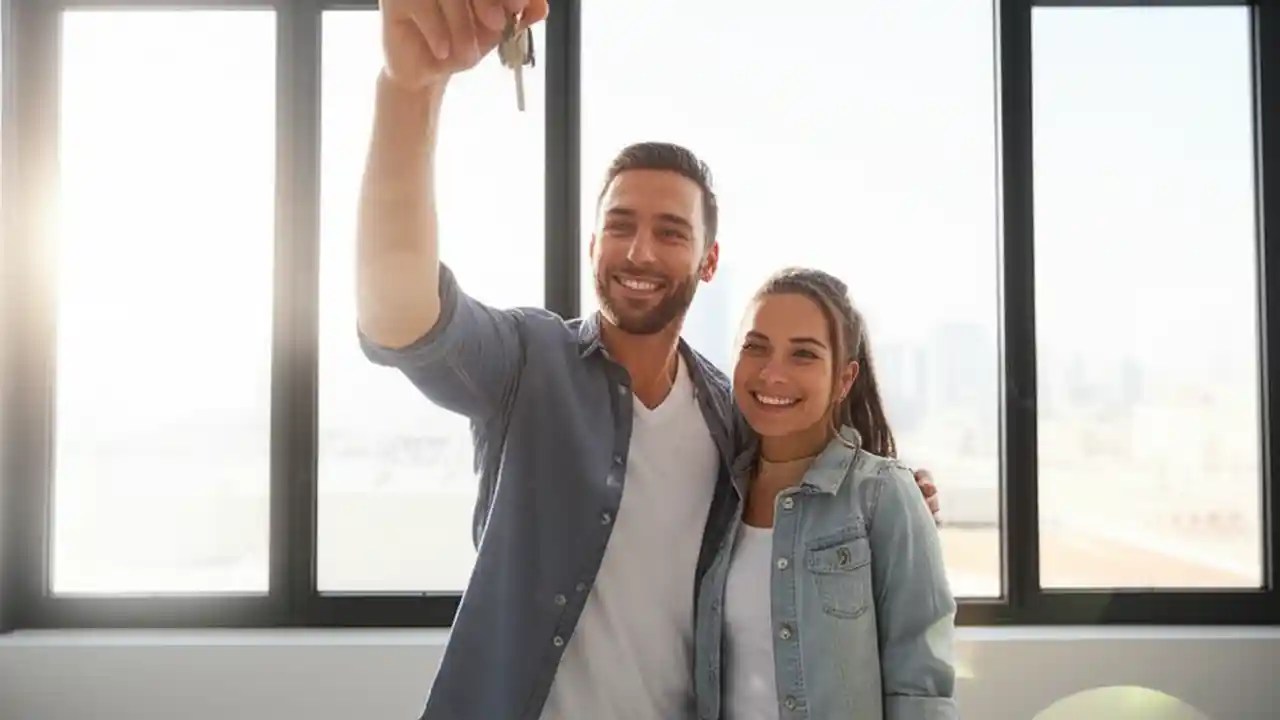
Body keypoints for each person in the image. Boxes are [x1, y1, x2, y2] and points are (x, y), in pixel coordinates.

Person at [357, 2, 940, 718]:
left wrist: (891, 498)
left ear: (708, 261)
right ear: (593, 243)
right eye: (620, 227)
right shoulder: (527, 362)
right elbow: (401, 314)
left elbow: (811, 485)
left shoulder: (733, 417)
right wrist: (408, 89)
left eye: (670, 232)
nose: (639, 252)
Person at [695, 268, 957, 720]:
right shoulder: (717, 495)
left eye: (803, 355)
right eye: (756, 347)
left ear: (844, 379)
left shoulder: (883, 496)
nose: (773, 373)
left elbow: (921, 687)